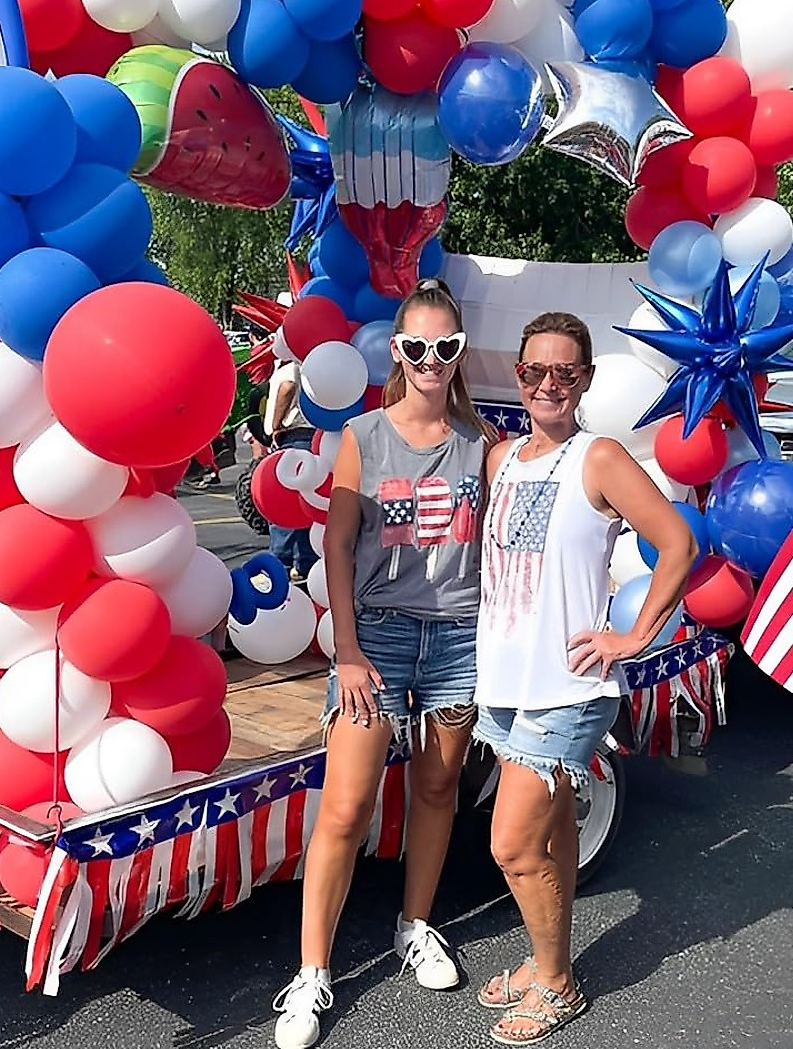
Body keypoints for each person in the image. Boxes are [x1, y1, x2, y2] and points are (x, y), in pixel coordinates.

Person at [273, 278, 492, 1049]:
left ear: (459, 355)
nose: (432, 359)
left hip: (458, 638)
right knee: (345, 806)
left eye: (447, 347)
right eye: (418, 347)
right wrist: (351, 651)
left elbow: (499, 547)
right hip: (380, 639)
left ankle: (417, 924)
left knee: (437, 786)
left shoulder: (480, 444)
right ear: (398, 352)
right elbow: (335, 544)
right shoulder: (363, 437)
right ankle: (311, 974)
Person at [473, 311, 696, 1045]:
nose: (548, 385)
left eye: (564, 373)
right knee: (555, 833)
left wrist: (635, 635)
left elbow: (677, 542)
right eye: (535, 371)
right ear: (519, 376)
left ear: (586, 380)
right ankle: (548, 962)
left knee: (511, 844)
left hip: (567, 688)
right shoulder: (501, 459)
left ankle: (559, 985)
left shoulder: (598, 457)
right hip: (505, 681)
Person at [264, 356, 317, 580]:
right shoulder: (309, 363)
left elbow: (288, 387)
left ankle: (280, 562)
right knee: (306, 502)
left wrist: (276, 424)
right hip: (308, 436)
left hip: (293, 436)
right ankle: (304, 562)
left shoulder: (292, 365)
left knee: (283, 502)